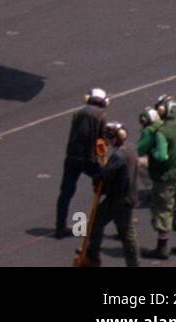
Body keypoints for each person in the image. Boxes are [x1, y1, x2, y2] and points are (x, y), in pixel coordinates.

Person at [139, 99, 176, 258]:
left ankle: (161, 249)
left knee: (163, 210)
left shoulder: (161, 132)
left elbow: (162, 156)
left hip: (165, 177)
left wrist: (153, 152)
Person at [55, 88, 108, 238]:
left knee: (65, 193)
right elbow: (102, 140)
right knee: (106, 188)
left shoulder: (77, 113)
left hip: (71, 157)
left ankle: (60, 227)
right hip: (89, 159)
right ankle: (103, 225)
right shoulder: (101, 116)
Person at [86, 122, 139, 267]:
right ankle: (92, 255)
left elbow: (105, 174)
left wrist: (97, 179)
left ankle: (94, 257)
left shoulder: (118, 155)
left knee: (126, 234)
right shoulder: (131, 148)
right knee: (97, 221)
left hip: (119, 200)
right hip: (127, 196)